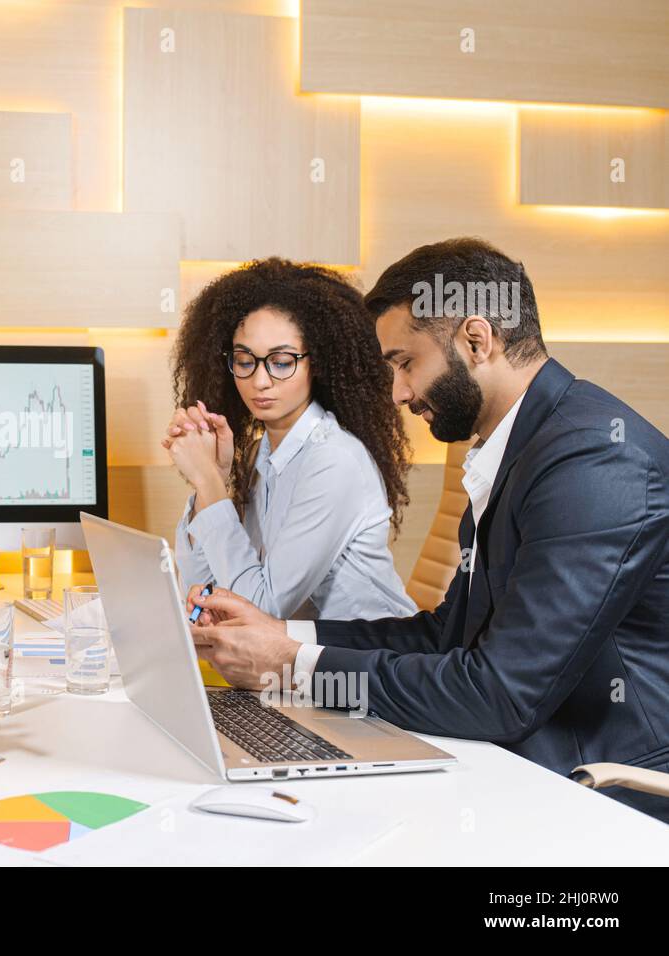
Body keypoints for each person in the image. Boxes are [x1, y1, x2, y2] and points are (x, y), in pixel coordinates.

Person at [188, 238, 669, 823]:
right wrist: (278, 631)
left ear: (475, 340)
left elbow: (500, 694)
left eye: (405, 363)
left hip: (597, 784)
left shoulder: (595, 462)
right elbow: (450, 636)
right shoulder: (522, 445)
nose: (397, 392)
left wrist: (292, 667)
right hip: (514, 754)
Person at [165, 258, 415, 621]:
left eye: (281, 362)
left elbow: (262, 610)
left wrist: (207, 481)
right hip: (296, 666)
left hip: (367, 666)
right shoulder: (259, 456)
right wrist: (214, 482)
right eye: (244, 360)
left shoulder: (333, 461)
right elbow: (202, 586)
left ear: (319, 362)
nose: (260, 381)